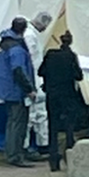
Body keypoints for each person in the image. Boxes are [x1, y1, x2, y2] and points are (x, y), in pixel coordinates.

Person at [0, 17, 36, 168]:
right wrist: (29, 89)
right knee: (18, 124)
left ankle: (10, 153)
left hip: (6, 90)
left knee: (11, 123)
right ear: (24, 30)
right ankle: (16, 155)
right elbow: (18, 70)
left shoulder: (4, 43)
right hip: (16, 91)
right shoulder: (17, 48)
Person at [38, 30, 84, 171]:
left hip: (52, 95)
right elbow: (78, 75)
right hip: (68, 96)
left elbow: (41, 71)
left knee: (53, 126)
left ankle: (53, 158)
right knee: (69, 127)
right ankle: (69, 155)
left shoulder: (50, 55)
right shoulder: (71, 56)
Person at [23, 12, 53, 158]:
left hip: (37, 81)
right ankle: (27, 146)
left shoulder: (31, 34)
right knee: (31, 116)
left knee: (39, 115)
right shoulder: (30, 36)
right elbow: (31, 62)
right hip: (33, 81)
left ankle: (42, 145)